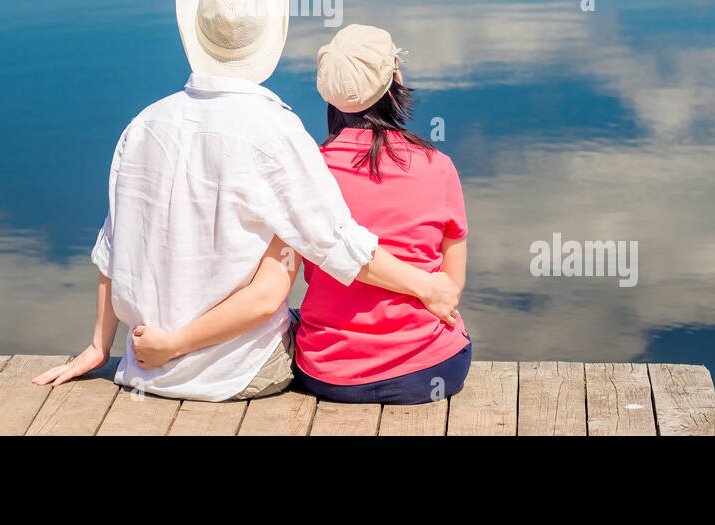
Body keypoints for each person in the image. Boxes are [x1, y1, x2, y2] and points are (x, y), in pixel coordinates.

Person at [33, 0, 459, 402]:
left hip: (145, 364)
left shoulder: (142, 125)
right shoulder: (275, 130)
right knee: (291, 273)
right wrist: (428, 286)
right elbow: (335, 245)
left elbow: (112, 248)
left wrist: (98, 346)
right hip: (241, 374)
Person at [131, 23, 471, 406]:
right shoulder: (438, 166)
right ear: (396, 78)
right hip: (430, 371)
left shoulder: (306, 170)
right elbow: (450, 289)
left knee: (289, 314)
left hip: (330, 374)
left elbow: (270, 287)